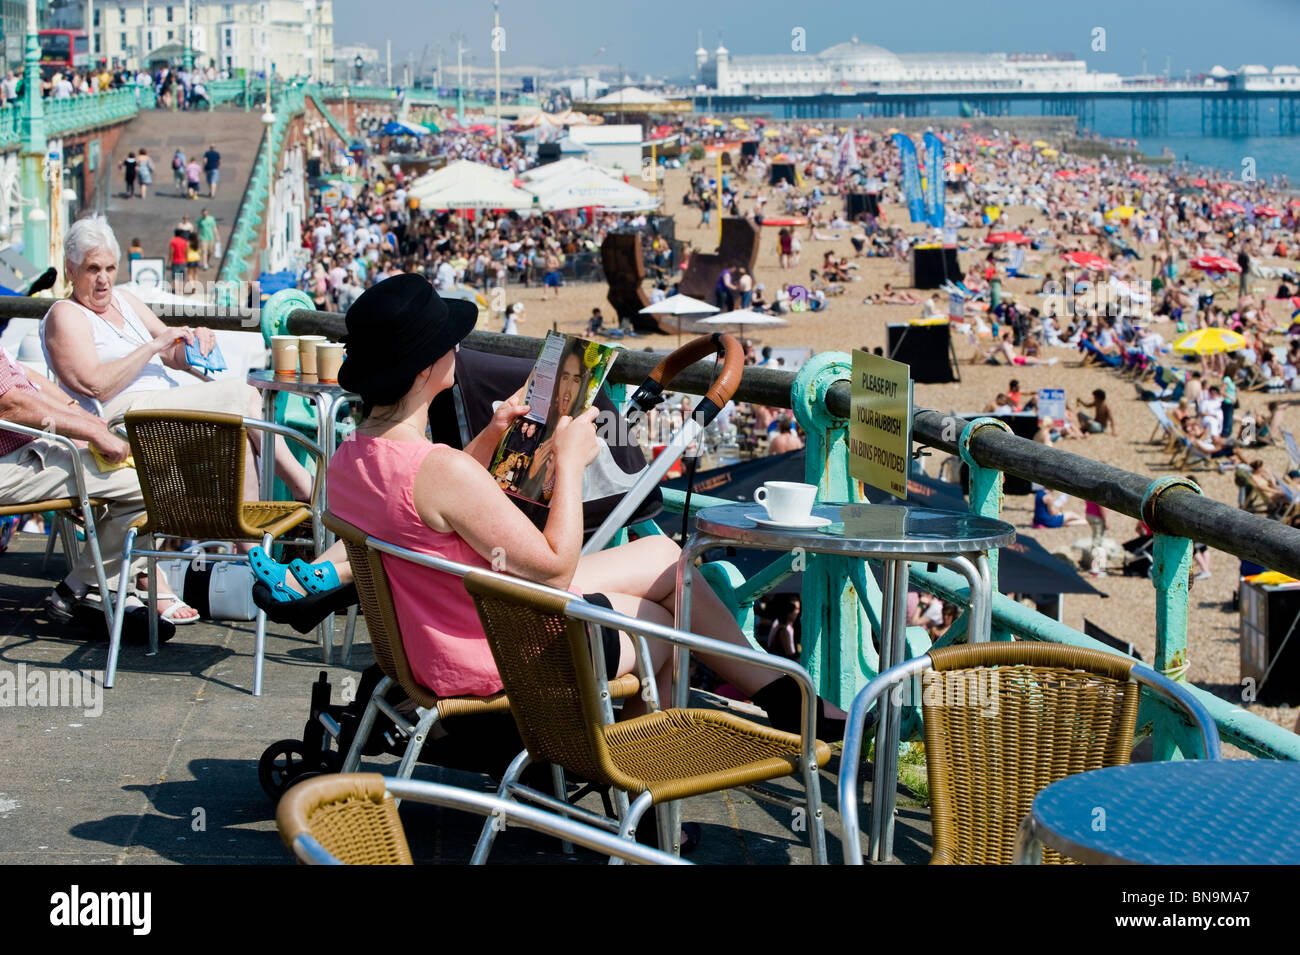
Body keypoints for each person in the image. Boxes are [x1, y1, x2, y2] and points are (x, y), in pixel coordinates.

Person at [320, 273, 833, 735]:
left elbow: (431, 507)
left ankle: (782, 697)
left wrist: (494, 433)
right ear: (425, 370)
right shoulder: (437, 470)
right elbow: (554, 572)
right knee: (666, 624)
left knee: (665, 563)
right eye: (448, 343)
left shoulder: (351, 458)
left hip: (436, 636)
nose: (458, 348)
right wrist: (567, 463)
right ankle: (642, 791)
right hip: (500, 648)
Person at [39, 216, 314, 504]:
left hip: (159, 411)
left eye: (109, 268)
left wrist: (195, 341)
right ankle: (305, 487)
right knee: (243, 395)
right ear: (71, 270)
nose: (103, 280)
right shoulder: (66, 314)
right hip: (121, 421)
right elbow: (97, 385)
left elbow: (170, 351)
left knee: (240, 436)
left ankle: (248, 546)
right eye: (92, 269)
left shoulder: (124, 300)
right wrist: (151, 347)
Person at [0, 345, 197, 626]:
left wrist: (87, 423)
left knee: (155, 469)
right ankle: (94, 588)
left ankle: (91, 587)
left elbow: (22, 375)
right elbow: (10, 405)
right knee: (159, 482)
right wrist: (90, 430)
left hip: (25, 446)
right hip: (13, 458)